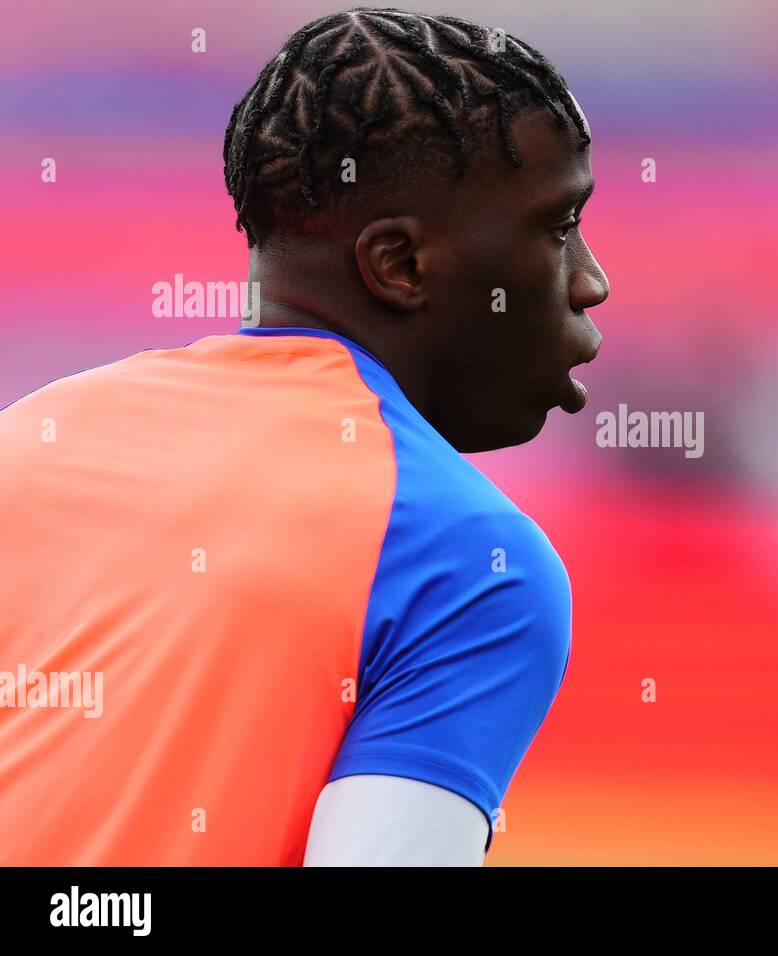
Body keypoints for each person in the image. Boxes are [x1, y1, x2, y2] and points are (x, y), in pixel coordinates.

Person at [0, 7, 609, 866]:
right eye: (557, 228)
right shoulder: (472, 562)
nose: (593, 281)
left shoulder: (29, 439)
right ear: (399, 266)